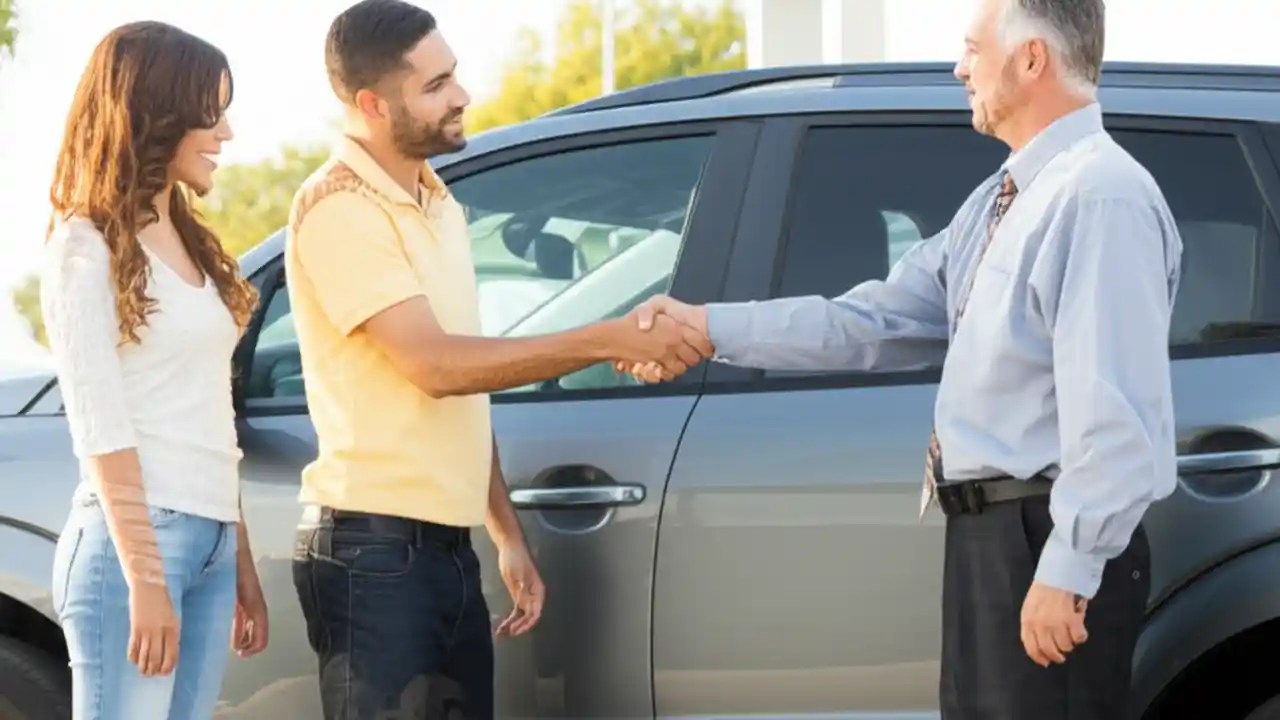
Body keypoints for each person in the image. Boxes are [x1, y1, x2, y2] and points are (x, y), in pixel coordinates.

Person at [626, 0, 1182, 718]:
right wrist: (707, 325)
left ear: (1032, 59)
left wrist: (1069, 567)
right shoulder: (1000, 200)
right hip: (992, 538)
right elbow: (872, 320)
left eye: (972, 49)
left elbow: (1117, 412)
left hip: (1043, 535)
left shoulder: (1101, 196)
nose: (959, 68)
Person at [285, 2, 711, 718]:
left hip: (442, 554)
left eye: (455, 74)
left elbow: (463, 384)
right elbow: (437, 367)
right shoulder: (339, 209)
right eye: (436, 84)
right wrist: (605, 339)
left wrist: (505, 534)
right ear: (371, 103)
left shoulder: (438, 202)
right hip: (373, 554)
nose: (462, 95)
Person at [41, 21, 270, 720]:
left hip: (206, 539)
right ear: (157, 112)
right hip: (135, 546)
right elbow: (98, 421)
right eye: (212, 112)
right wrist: (144, 574)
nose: (226, 132)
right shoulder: (85, 247)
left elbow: (210, 410)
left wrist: (240, 560)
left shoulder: (189, 241)